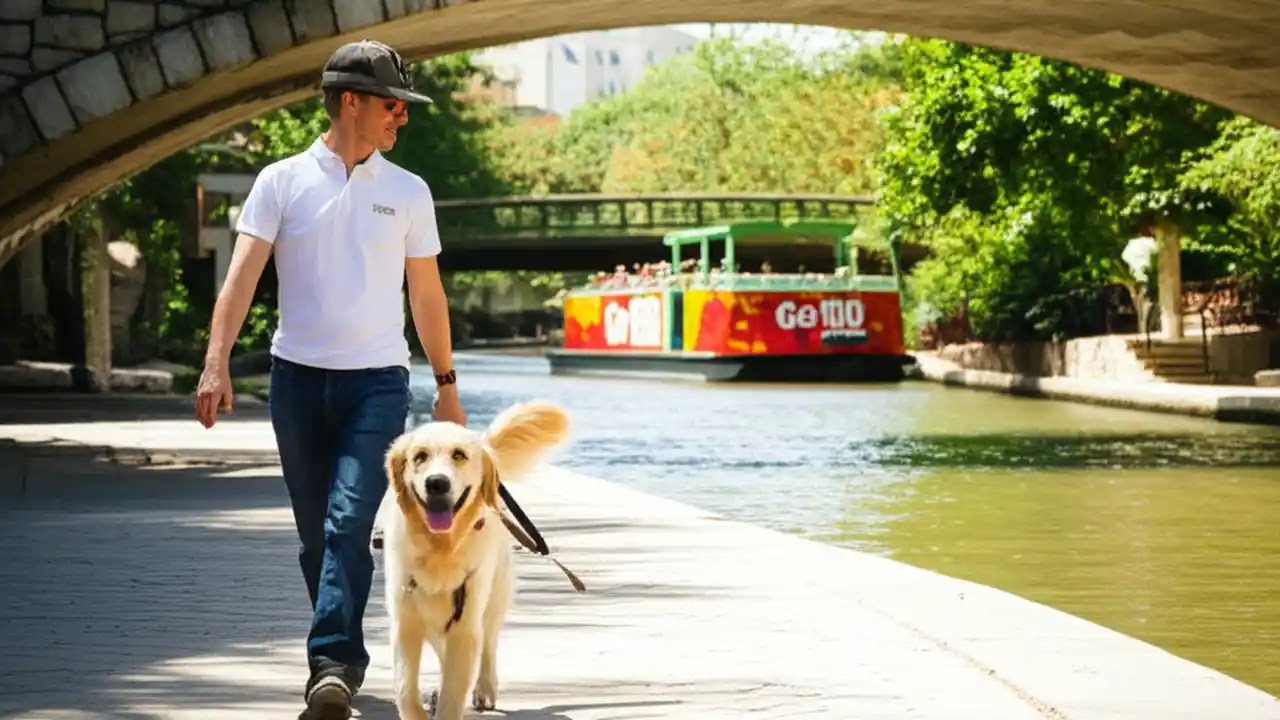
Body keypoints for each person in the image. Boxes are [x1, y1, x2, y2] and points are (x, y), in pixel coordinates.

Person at [193, 39, 466, 720]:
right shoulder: (281, 182)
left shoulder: (408, 191)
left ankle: (330, 668)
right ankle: (340, 659)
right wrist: (215, 360)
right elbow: (243, 276)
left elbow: (426, 294)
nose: (400, 119)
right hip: (296, 383)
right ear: (352, 102)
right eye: (391, 105)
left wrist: (447, 381)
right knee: (318, 536)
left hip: (376, 384)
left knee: (349, 524)